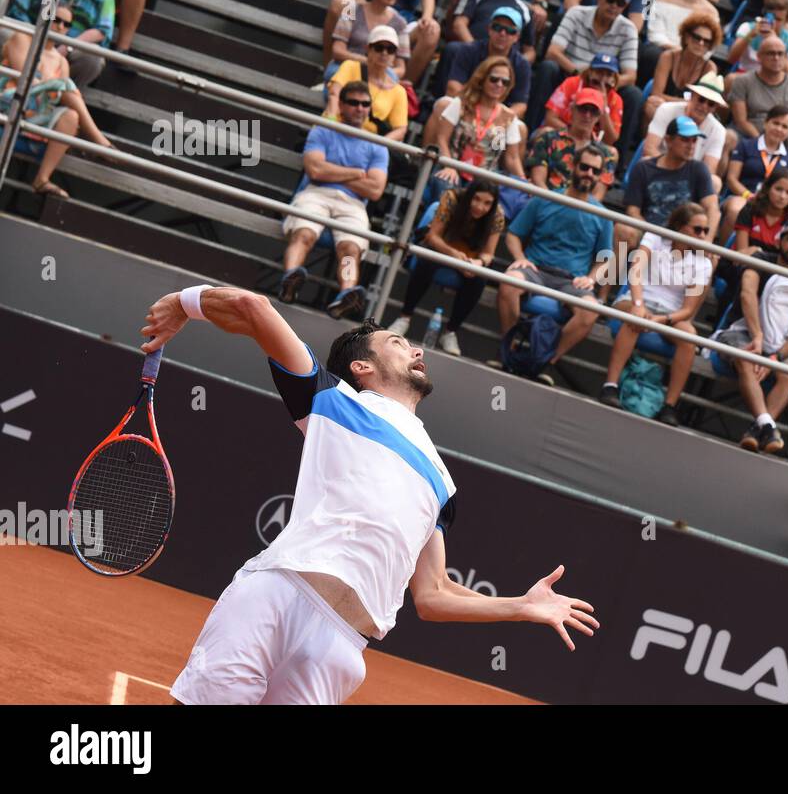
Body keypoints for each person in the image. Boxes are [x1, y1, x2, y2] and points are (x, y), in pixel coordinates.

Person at [148, 288, 597, 704]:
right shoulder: (331, 399)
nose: (417, 350)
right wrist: (181, 303)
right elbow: (255, 310)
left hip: (340, 647)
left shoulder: (441, 479)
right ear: (362, 367)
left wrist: (518, 606)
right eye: (399, 343)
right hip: (276, 598)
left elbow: (434, 594)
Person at [277, 82, 389, 320]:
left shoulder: (378, 145)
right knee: (304, 234)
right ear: (341, 105)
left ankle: (347, 293)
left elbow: (376, 189)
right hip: (316, 193)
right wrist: (358, 173)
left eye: (365, 104)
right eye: (354, 103)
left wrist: (333, 171)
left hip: (353, 204)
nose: (360, 108)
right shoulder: (322, 130)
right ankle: (290, 278)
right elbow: (315, 171)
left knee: (349, 250)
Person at [497, 147, 614, 374]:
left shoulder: (603, 214)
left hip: (571, 281)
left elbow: (606, 258)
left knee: (590, 311)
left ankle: (544, 363)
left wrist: (591, 278)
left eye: (595, 170)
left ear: (600, 177)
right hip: (536, 269)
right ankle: (508, 352)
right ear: (574, 167)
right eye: (585, 167)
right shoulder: (545, 199)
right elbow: (513, 234)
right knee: (509, 283)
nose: (589, 173)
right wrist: (521, 259)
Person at [600, 202, 713, 427]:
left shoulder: (704, 263)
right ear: (680, 227)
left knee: (689, 338)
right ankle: (610, 386)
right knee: (636, 318)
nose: (702, 236)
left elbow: (688, 310)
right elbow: (636, 271)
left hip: (671, 314)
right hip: (636, 298)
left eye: (706, 231)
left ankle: (669, 406)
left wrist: (661, 320)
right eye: (697, 229)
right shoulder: (655, 237)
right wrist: (640, 304)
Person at [714, 218, 788, 454]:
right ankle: (769, 427)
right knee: (746, 357)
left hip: (780, 347)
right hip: (741, 333)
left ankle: (758, 429)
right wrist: (758, 337)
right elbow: (747, 295)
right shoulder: (761, 261)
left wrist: (775, 358)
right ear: (778, 240)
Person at [0, 10, 115, 198]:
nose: (60, 26)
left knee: (71, 116)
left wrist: (54, 89)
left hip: (38, 112)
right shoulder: (22, 38)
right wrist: (55, 86)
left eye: (66, 24)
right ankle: (98, 140)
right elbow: (26, 78)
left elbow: (54, 96)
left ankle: (42, 179)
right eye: (56, 20)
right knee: (66, 86)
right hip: (10, 100)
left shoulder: (62, 62)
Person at [388, 180, 505, 355]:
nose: (480, 207)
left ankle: (450, 331)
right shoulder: (452, 198)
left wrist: (478, 263)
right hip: (442, 249)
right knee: (427, 261)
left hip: (469, 260)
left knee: (479, 279)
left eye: (487, 203)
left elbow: (489, 254)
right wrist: (454, 255)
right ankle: (404, 317)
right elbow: (432, 237)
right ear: (469, 196)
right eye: (476, 199)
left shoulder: (496, 215)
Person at [532, 0, 641, 156]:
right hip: (569, 73)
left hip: (607, 82)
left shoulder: (628, 28)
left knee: (634, 94)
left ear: (626, 5)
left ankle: (617, 169)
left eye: (620, 2)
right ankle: (532, 131)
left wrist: (603, 86)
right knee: (547, 67)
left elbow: (631, 76)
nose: (614, 5)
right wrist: (581, 75)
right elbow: (552, 52)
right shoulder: (576, 13)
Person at [726, 35, 788, 218]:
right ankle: (713, 195)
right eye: (771, 53)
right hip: (748, 137)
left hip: (784, 141)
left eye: (781, 54)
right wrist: (762, 142)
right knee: (727, 137)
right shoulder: (743, 81)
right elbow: (741, 120)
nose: (776, 58)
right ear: (759, 57)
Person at [620, 116, 719, 254]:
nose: (691, 145)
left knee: (713, 256)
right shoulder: (643, 168)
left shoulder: (699, 169)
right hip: (647, 233)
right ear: (668, 140)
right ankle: (613, 275)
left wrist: (707, 241)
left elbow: (712, 208)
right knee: (623, 230)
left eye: (694, 140)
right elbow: (633, 210)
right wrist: (652, 235)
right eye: (685, 139)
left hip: (684, 238)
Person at [425, 56, 522, 196]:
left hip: (484, 179)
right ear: (482, 79)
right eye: (494, 79)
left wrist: (524, 182)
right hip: (453, 166)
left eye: (505, 82)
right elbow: (442, 138)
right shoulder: (462, 104)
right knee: (446, 187)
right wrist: (449, 166)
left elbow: (512, 158)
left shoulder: (507, 118)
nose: (499, 85)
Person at [712, 168, 788, 319]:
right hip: (739, 266)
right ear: (768, 188)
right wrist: (758, 255)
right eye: (778, 189)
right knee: (744, 278)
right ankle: (721, 328)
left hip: (771, 273)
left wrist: (757, 251)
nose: (782, 196)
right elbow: (742, 255)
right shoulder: (751, 209)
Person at [719, 106, 788, 244]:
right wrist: (748, 196)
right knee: (735, 211)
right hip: (743, 196)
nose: (779, 129)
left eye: (785, 126)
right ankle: (722, 256)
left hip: (774, 204)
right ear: (766, 123)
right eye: (775, 123)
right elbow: (732, 179)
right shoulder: (746, 145)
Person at [527, 88, 619, 201]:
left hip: (581, 212)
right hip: (544, 202)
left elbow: (596, 197)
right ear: (572, 109)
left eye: (593, 111)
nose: (587, 115)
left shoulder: (607, 155)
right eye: (583, 109)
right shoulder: (548, 138)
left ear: (599, 117)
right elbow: (538, 180)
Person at [440, 6, 532, 117]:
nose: (502, 33)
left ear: (516, 37)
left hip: (496, 118)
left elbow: (520, 105)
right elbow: (453, 87)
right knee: (443, 104)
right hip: (465, 107)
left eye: (510, 31)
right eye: (497, 27)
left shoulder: (522, 65)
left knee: (521, 129)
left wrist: (496, 117)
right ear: (489, 29)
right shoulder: (469, 50)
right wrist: (476, 109)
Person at [642, 0, 722, 85]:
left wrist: (689, 54)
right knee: (652, 54)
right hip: (662, 51)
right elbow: (654, 34)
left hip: (692, 58)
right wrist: (679, 52)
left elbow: (710, 46)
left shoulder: (712, 12)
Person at [642, 73, 728, 189]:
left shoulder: (719, 131)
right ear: (692, 96)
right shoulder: (666, 110)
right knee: (646, 161)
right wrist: (671, 170)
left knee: (715, 182)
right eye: (701, 100)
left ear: (715, 108)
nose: (704, 106)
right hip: (661, 166)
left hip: (690, 179)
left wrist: (682, 176)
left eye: (711, 104)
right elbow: (649, 149)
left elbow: (709, 170)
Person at [327, 0, 411, 80]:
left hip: (379, 75)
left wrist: (380, 71)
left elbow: (401, 68)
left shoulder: (400, 23)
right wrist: (369, 62)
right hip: (346, 67)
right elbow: (337, 50)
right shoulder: (351, 10)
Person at [325, 27, 408, 142]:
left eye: (390, 49)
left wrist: (378, 145)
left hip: (365, 143)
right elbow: (334, 94)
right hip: (336, 129)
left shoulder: (399, 92)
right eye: (379, 47)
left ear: (395, 55)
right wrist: (331, 122)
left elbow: (400, 130)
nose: (384, 53)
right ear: (368, 49)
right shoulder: (350, 66)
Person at [543, 55, 624, 143]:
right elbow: (550, 119)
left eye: (608, 74)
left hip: (592, 144)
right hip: (564, 132)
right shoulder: (572, 83)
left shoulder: (616, 100)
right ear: (590, 72)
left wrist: (604, 108)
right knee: (545, 131)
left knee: (613, 152)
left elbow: (610, 139)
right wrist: (575, 135)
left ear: (614, 79)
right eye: (599, 72)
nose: (603, 78)